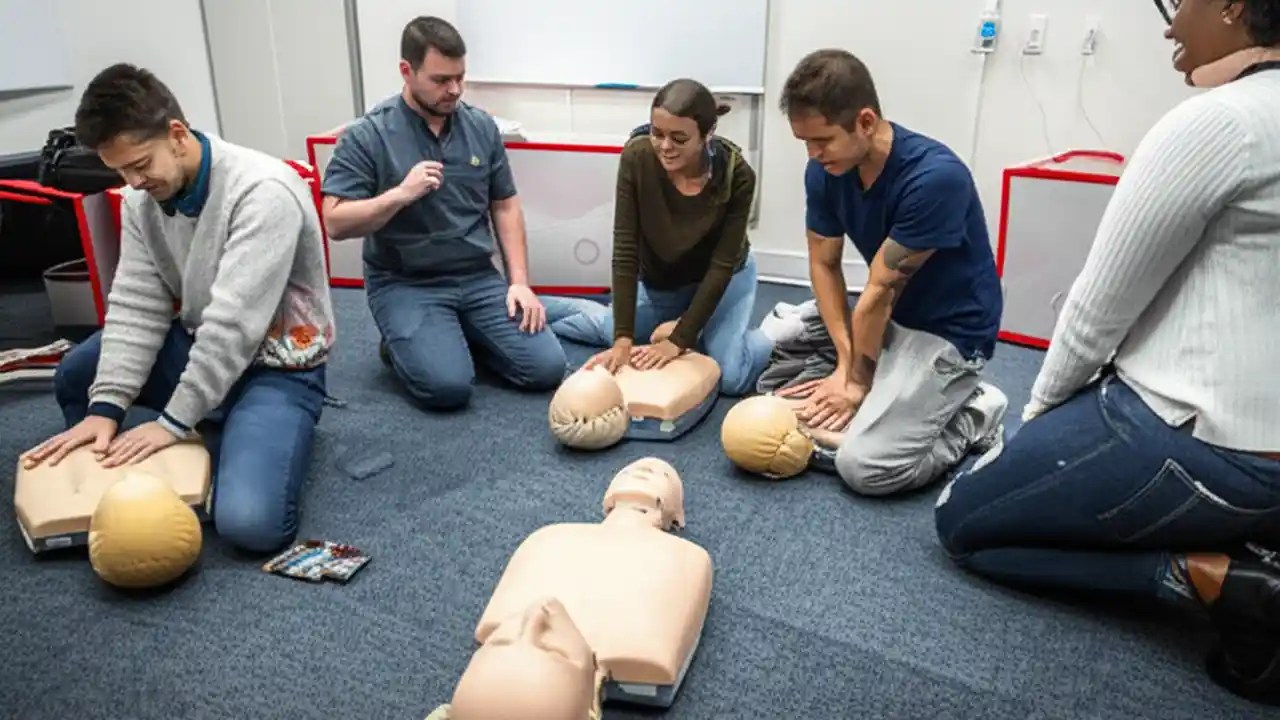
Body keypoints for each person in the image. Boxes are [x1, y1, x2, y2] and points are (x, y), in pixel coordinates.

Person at [935, 0, 1280, 703]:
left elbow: (1098, 306)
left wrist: (1037, 424)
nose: (1170, 23)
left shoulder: (1220, 122)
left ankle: (1215, 578)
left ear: (1234, 7)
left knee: (962, 520)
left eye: (1183, 3)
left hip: (1206, 441)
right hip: (1258, 445)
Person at [19, 63, 334, 554]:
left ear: (178, 134)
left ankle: (243, 428)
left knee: (252, 525)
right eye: (120, 169)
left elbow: (232, 328)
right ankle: (194, 432)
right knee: (77, 374)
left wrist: (172, 422)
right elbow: (135, 304)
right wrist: (107, 405)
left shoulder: (262, 192)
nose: (132, 181)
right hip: (197, 345)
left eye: (140, 164)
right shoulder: (143, 197)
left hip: (275, 368)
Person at [774, 49, 1007, 497]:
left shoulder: (936, 178)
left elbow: (879, 290)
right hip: (888, 317)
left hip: (948, 331)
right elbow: (823, 263)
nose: (813, 154)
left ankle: (974, 414)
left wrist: (856, 383)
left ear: (865, 121)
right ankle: (884, 388)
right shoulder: (824, 170)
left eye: (822, 140)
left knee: (864, 468)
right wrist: (845, 362)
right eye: (804, 142)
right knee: (774, 383)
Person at [321, 16, 566, 411]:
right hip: (406, 281)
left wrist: (519, 282)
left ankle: (451, 337)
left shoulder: (480, 127)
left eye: (460, 77)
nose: (454, 90)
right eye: (440, 80)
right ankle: (407, 345)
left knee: (547, 369)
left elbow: (504, 204)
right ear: (407, 71)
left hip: (476, 275)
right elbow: (335, 220)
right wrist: (400, 194)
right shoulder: (369, 134)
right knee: (448, 389)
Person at [541, 79, 773, 397]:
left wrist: (678, 339)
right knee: (612, 332)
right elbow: (625, 248)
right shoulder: (637, 157)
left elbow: (721, 265)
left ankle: (781, 327)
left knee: (731, 375)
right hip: (664, 281)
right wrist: (623, 338)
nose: (665, 146)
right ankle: (521, 308)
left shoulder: (738, 174)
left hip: (725, 280)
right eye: (657, 133)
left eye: (679, 138)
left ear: (708, 135)